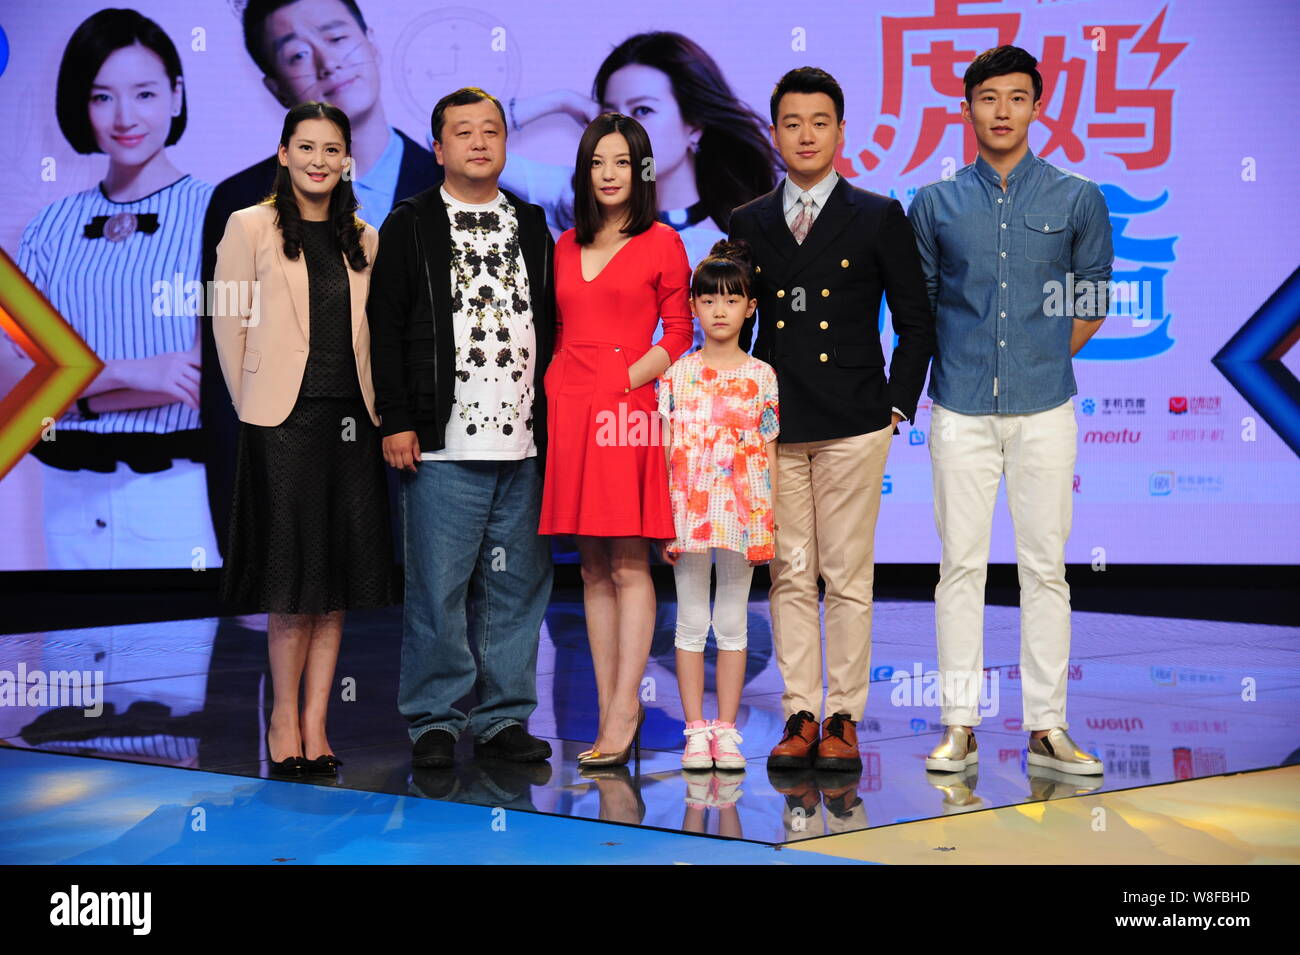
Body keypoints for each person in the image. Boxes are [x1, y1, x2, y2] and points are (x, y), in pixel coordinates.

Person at [908, 46, 1112, 776]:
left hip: (1044, 407)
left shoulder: (1075, 196)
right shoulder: (934, 203)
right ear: (966, 109)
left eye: (1017, 98)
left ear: (1036, 106)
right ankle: (959, 724)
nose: (1002, 111)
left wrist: (1041, 355)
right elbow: (923, 304)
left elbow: (1091, 294)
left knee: (1045, 569)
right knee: (959, 567)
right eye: (988, 98)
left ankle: (1047, 727)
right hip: (959, 407)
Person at [730, 67, 935, 773]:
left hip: (854, 419)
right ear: (775, 132)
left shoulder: (878, 215)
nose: (807, 134)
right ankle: (798, 712)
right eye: (793, 122)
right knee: (789, 574)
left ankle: (844, 716)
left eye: (821, 121)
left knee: (847, 574)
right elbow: (735, 326)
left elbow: (915, 322)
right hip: (775, 422)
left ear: (841, 132)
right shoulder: (748, 222)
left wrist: (896, 405)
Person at [200, 0, 442, 560]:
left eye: (337, 37)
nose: (328, 62)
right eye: (297, 54)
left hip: (438, 498)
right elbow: (225, 376)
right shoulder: (239, 204)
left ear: (372, 40)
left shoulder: (455, 189)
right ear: (274, 84)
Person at [367, 88, 555, 769]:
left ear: (505, 144)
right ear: (439, 148)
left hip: (525, 442)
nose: (479, 142)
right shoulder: (410, 222)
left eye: (492, 131)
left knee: (516, 589)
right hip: (442, 442)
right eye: (463, 132)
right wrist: (396, 419)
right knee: (438, 589)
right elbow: (383, 329)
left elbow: (551, 328)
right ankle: (434, 720)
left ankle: (504, 716)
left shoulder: (532, 224)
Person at [212, 101, 397, 778]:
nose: (320, 160)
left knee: (336, 581)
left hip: (351, 424)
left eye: (332, 149)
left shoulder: (363, 237)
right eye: (307, 147)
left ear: (347, 159)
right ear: (284, 152)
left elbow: (374, 336)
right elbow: (227, 326)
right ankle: (282, 719)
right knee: (292, 584)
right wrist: (252, 405)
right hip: (281, 425)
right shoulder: (248, 226)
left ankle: (318, 722)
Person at [5, 8, 219, 569]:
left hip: (181, 496)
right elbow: (17, 386)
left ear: (175, 95)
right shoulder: (50, 227)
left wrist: (72, 389)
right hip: (67, 499)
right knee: (69, 649)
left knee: (180, 656)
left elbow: (206, 375)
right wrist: (133, 373)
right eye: (102, 97)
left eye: (144, 94)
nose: (125, 116)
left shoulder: (221, 214)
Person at [538, 112, 693, 767]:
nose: (609, 174)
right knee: (594, 565)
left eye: (622, 163)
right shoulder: (564, 245)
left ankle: (627, 707)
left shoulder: (662, 241)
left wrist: (625, 380)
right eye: (598, 162)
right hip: (570, 411)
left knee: (630, 560)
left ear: (642, 171)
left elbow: (679, 333)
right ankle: (609, 709)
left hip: (627, 410)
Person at [503, 31, 778, 349]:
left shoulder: (735, 242)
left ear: (695, 126)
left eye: (643, 111)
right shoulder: (576, 199)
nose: (623, 130)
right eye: (611, 115)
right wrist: (562, 101)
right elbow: (449, 145)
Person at [658, 239, 778, 772]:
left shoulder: (762, 376)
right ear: (693, 306)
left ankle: (726, 731)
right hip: (686, 515)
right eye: (709, 300)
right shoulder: (676, 375)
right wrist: (662, 520)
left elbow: (768, 451)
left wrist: (765, 523)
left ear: (750, 307)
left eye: (732, 299)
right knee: (688, 621)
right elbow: (662, 452)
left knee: (732, 622)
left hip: (742, 516)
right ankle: (694, 730)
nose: (720, 310)